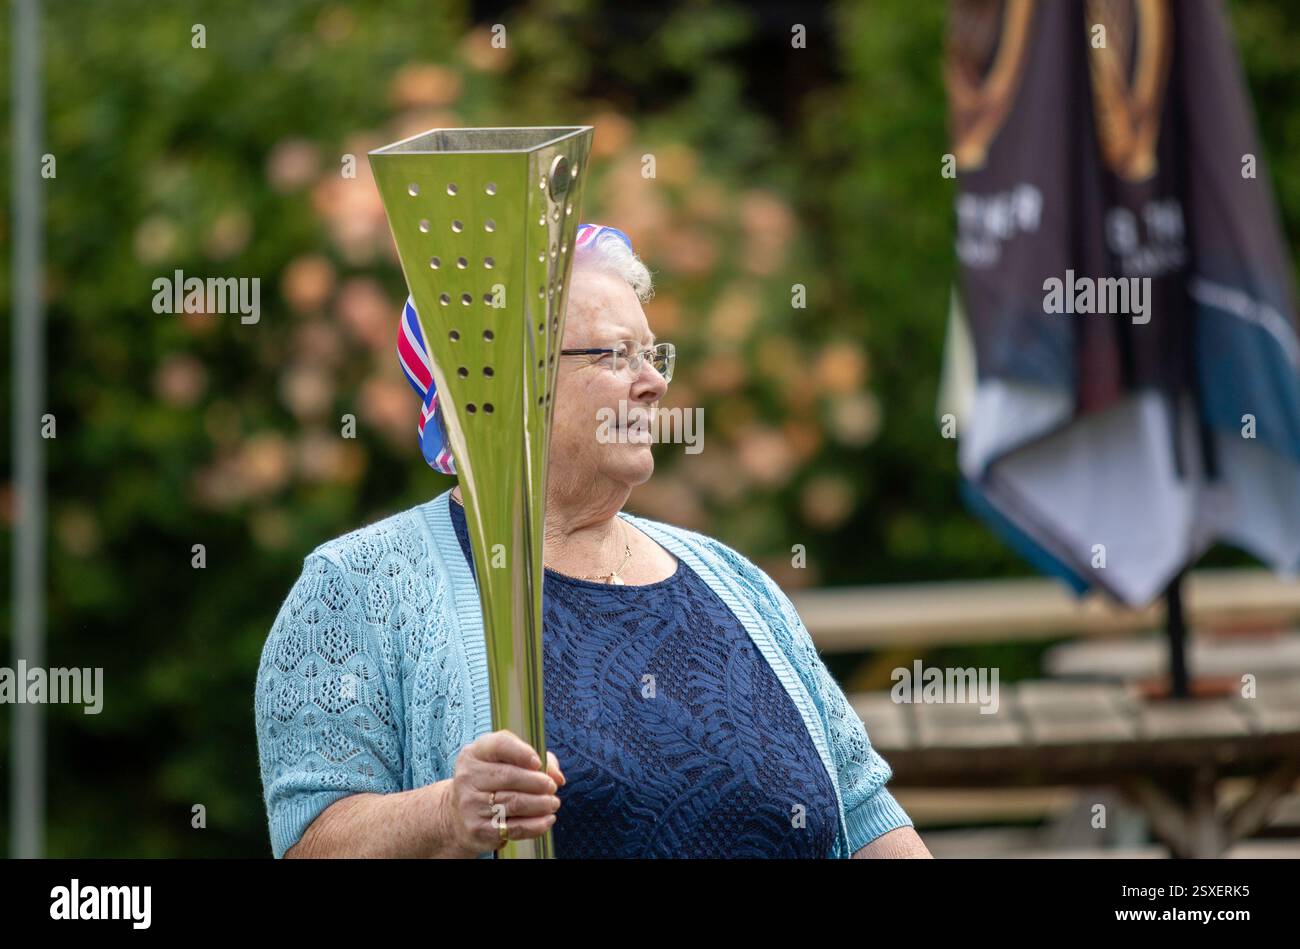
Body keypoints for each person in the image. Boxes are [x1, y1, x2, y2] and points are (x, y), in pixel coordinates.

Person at [254, 223, 931, 858]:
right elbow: (313, 841)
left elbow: (867, 816)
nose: (656, 381)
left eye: (653, 353)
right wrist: (446, 814)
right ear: (506, 381)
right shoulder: (362, 583)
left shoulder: (732, 581)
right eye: (618, 355)